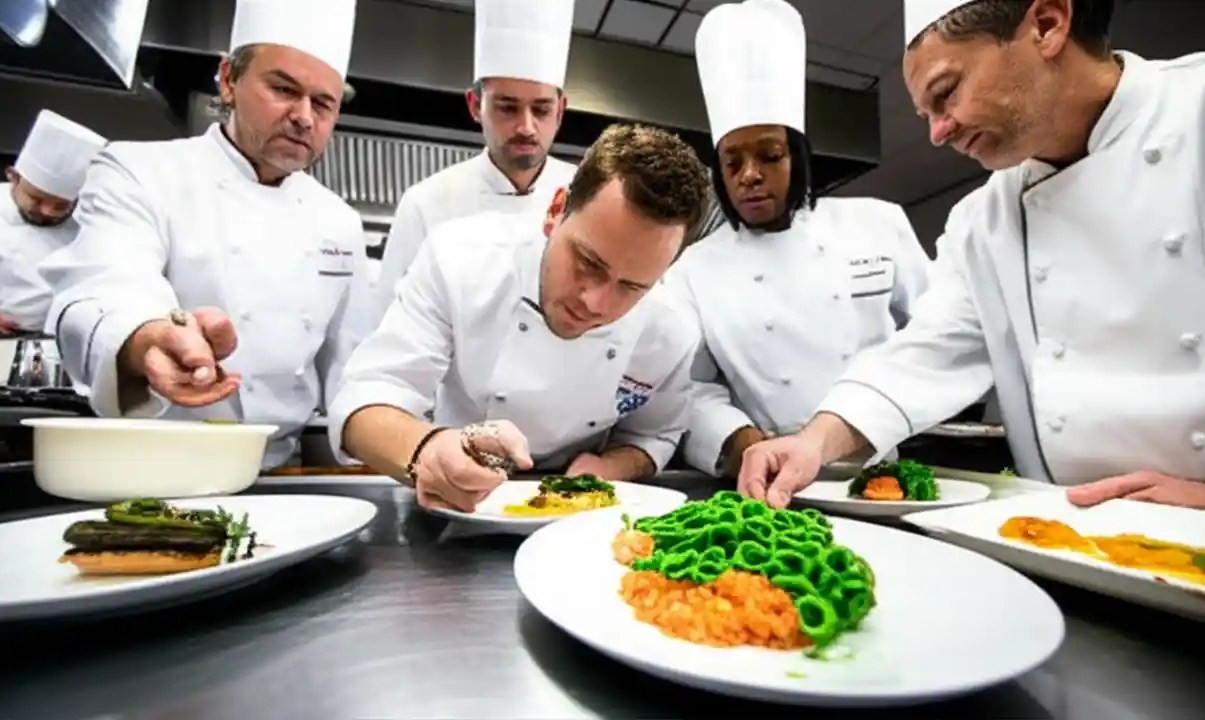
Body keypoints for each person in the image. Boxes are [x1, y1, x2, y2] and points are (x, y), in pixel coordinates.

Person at [736, 0, 1205, 517]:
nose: (937, 133)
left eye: (946, 94)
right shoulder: (983, 220)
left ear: (1046, 24)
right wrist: (812, 442)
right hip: (1070, 536)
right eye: (925, 113)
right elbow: (924, 355)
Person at [42, 0, 370, 470]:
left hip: (281, 474)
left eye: (323, 104)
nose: (303, 116)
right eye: (283, 89)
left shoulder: (338, 219)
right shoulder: (140, 171)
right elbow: (107, 284)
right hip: (153, 469)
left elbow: (351, 367)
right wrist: (147, 337)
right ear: (229, 80)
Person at [329, 123, 711, 512]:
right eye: (588, 262)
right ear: (555, 210)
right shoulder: (461, 260)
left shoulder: (670, 329)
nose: (596, 302)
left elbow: (655, 434)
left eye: (632, 286)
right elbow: (368, 396)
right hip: (453, 506)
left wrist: (609, 468)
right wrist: (426, 449)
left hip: (582, 521)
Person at [663, 0, 930, 479]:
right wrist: (740, 442)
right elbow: (690, 388)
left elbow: (939, 338)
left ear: (797, 157)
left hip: (882, 476)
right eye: (732, 163)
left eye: (770, 155)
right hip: (764, 477)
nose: (750, 176)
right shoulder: (691, 272)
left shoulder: (878, 224)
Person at [364, 0, 579, 330]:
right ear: (475, 105)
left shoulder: (588, 195)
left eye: (541, 109)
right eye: (508, 108)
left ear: (560, 111)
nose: (526, 127)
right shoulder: (426, 203)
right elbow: (388, 328)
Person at [0, 110, 106, 334]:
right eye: (35, 199)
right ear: (13, 176)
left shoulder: (91, 226)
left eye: (61, 205)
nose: (47, 211)